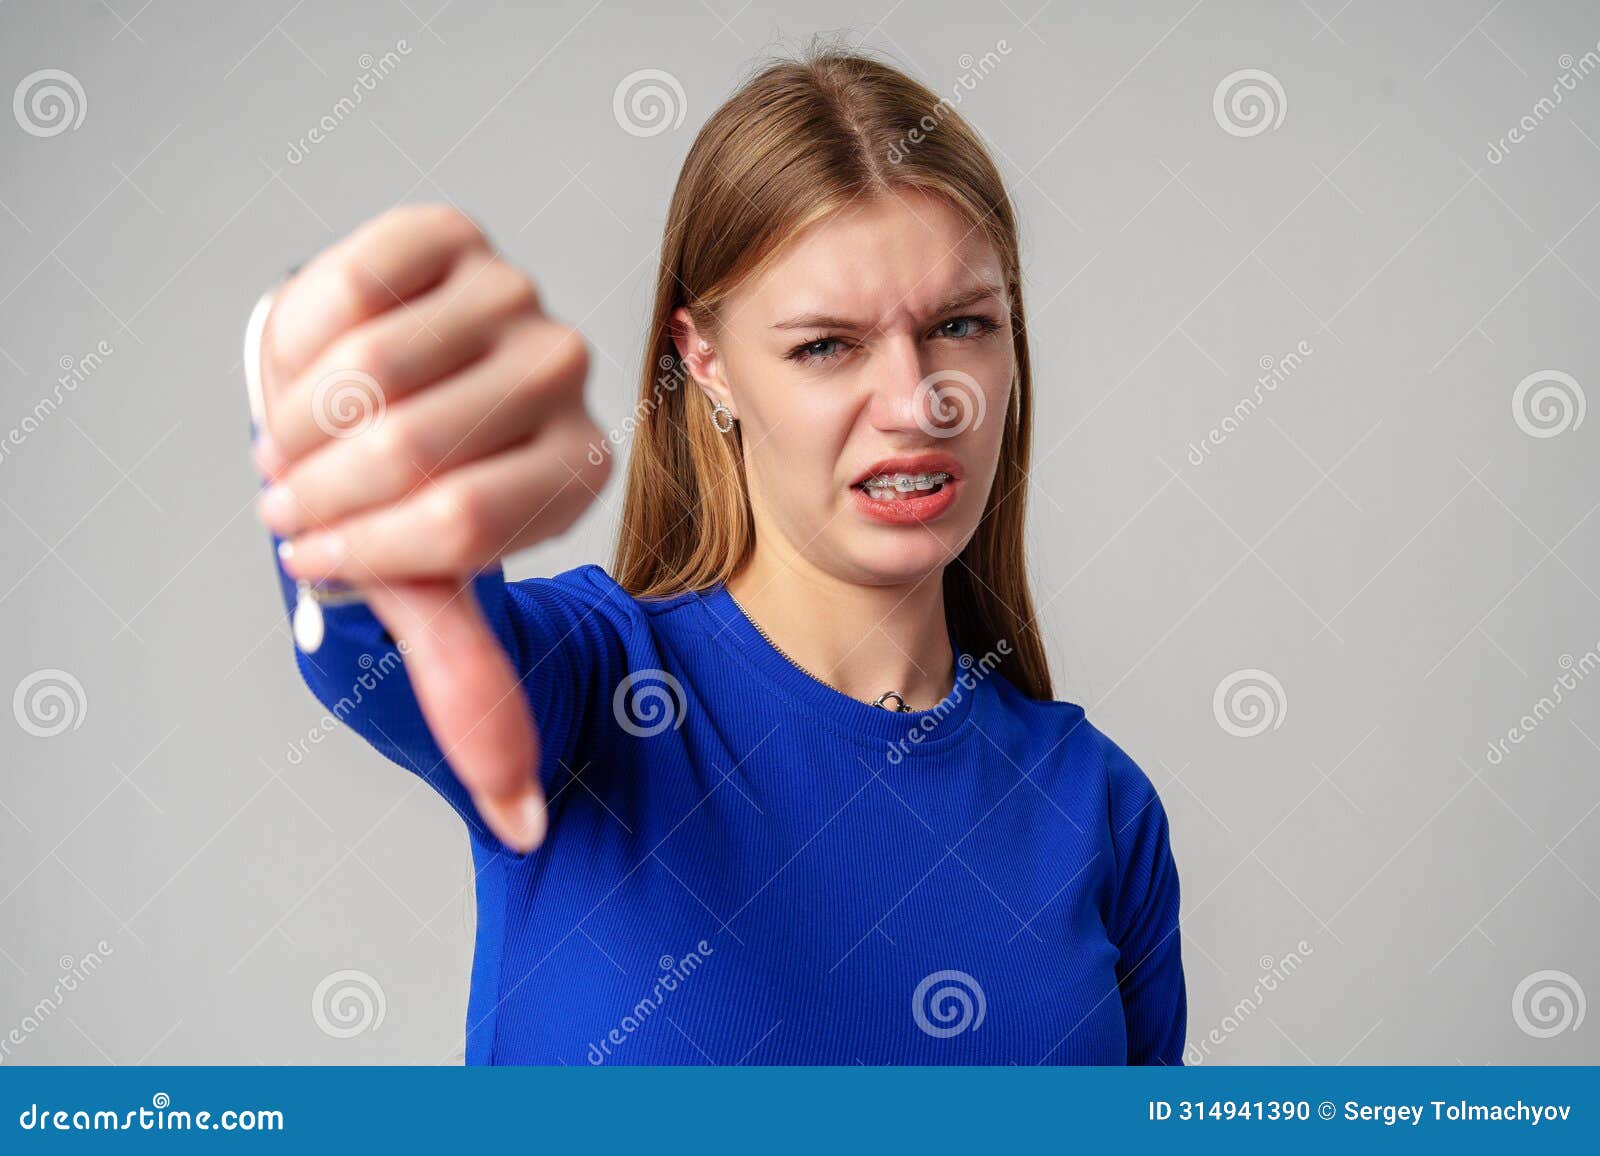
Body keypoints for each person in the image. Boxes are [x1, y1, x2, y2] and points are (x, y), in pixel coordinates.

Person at [247, 47, 1186, 1065]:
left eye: (961, 325)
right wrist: (340, 396)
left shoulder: (1093, 804)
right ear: (706, 364)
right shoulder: (592, 698)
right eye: (826, 345)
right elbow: (376, 641)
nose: (920, 403)